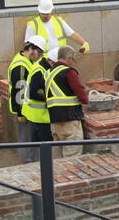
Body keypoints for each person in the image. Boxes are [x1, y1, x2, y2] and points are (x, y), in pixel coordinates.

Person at [7, 34, 47, 163]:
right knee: (26, 140)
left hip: (27, 109)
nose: (40, 56)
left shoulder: (26, 61)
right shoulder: (21, 66)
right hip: (23, 110)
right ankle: (27, 165)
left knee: (29, 140)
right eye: (39, 52)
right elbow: (19, 91)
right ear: (32, 48)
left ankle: (30, 163)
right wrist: (20, 113)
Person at [45, 46, 89, 158]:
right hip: (70, 120)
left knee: (57, 158)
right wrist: (86, 96)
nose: (73, 63)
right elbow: (83, 97)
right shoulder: (68, 72)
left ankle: (55, 176)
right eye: (73, 60)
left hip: (54, 120)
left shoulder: (48, 73)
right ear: (69, 58)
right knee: (72, 157)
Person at [19, 42, 54, 147]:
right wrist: (49, 99)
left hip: (35, 115)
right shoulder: (40, 71)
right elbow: (31, 93)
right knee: (44, 147)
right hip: (39, 115)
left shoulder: (41, 66)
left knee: (37, 147)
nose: (38, 55)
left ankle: (37, 162)